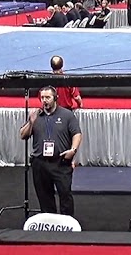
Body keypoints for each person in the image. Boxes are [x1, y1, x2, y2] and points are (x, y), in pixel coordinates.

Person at [19, 86, 83, 217]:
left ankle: (67, 223)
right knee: (44, 196)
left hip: (60, 162)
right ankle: (50, 222)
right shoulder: (36, 115)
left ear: (55, 98)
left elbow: (77, 134)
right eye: (42, 97)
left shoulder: (67, 115)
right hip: (40, 163)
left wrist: (73, 150)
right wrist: (31, 122)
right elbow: (23, 135)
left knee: (65, 195)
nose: (44, 100)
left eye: (47, 97)